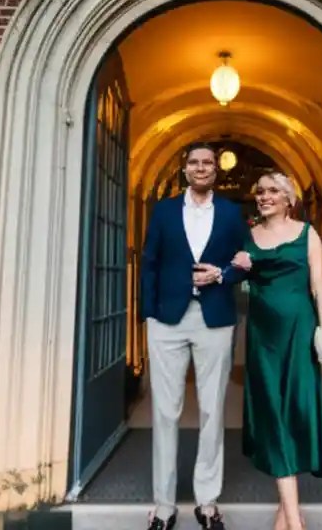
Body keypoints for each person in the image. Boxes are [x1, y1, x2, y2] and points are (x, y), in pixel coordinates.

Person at [139, 142, 250, 530]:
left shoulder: (231, 213)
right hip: (166, 319)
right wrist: (149, 313)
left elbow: (246, 261)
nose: (201, 167)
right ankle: (164, 505)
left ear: (215, 171)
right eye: (193, 162)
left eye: (207, 163)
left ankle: (207, 502)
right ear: (184, 169)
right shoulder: (164, 210)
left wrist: (222, 274)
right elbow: (149, 262)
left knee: (212, 409)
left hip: (215, 319)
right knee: (165, 411)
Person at [230, 172, 322, 530]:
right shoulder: (248, 237)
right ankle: (295, 520)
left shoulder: (308, 234)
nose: (264, 196)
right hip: (263, 336)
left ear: (288, 199)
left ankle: (286, 513)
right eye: (260, 191)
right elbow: (234, 277)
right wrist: (235, 267)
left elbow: (319, 284)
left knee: (295, 410)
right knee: (272, 414)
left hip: (300, 332)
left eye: (272, 191)